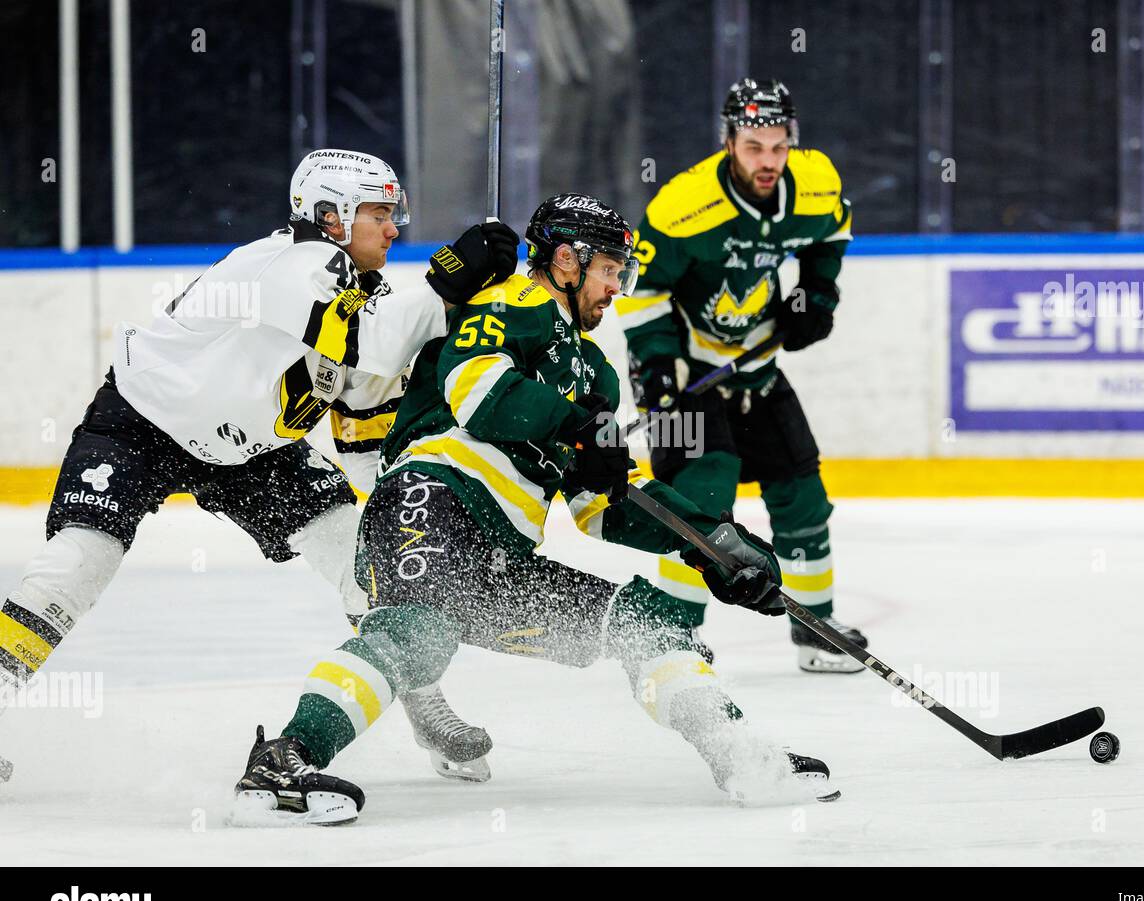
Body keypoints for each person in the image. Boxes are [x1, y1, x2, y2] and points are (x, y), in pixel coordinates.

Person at [232, 194, 839, 825]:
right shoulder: (509, 303)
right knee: (419, 632)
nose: (617, 287)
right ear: (568, 260)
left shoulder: (597, 373)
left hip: (500, 559)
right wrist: (579, 430)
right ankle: (283, 761)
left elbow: (599, 506)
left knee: (644, 624)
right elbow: (477, 390)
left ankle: (742, 757)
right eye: (609, 269)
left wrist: (709, 544)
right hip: (429, 504)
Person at [0, 150, 517, 784]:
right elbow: (369, 337)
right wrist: (449, 279)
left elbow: (359, 410)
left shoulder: (358, 290)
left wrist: (383, 509)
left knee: (364, 563)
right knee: (77, 565)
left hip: (256, 453)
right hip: (142, 425)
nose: (393, 229)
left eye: (393, 214)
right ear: (331, 215)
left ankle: (425, 706)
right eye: (380, 213)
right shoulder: (293, 264)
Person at [618, 78, 868, 674]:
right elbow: (642, 290)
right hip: (684, 372)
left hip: (755, 365)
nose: (768, 161)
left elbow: (830, 234)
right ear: (729, 140)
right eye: (755, 146)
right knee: (700, 500)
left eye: (779, 147)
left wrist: (815, 295)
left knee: (801, 490)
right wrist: (654, 365)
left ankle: (814, 628)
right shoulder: (685, 205)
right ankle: (668, 632)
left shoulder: (814, 184)